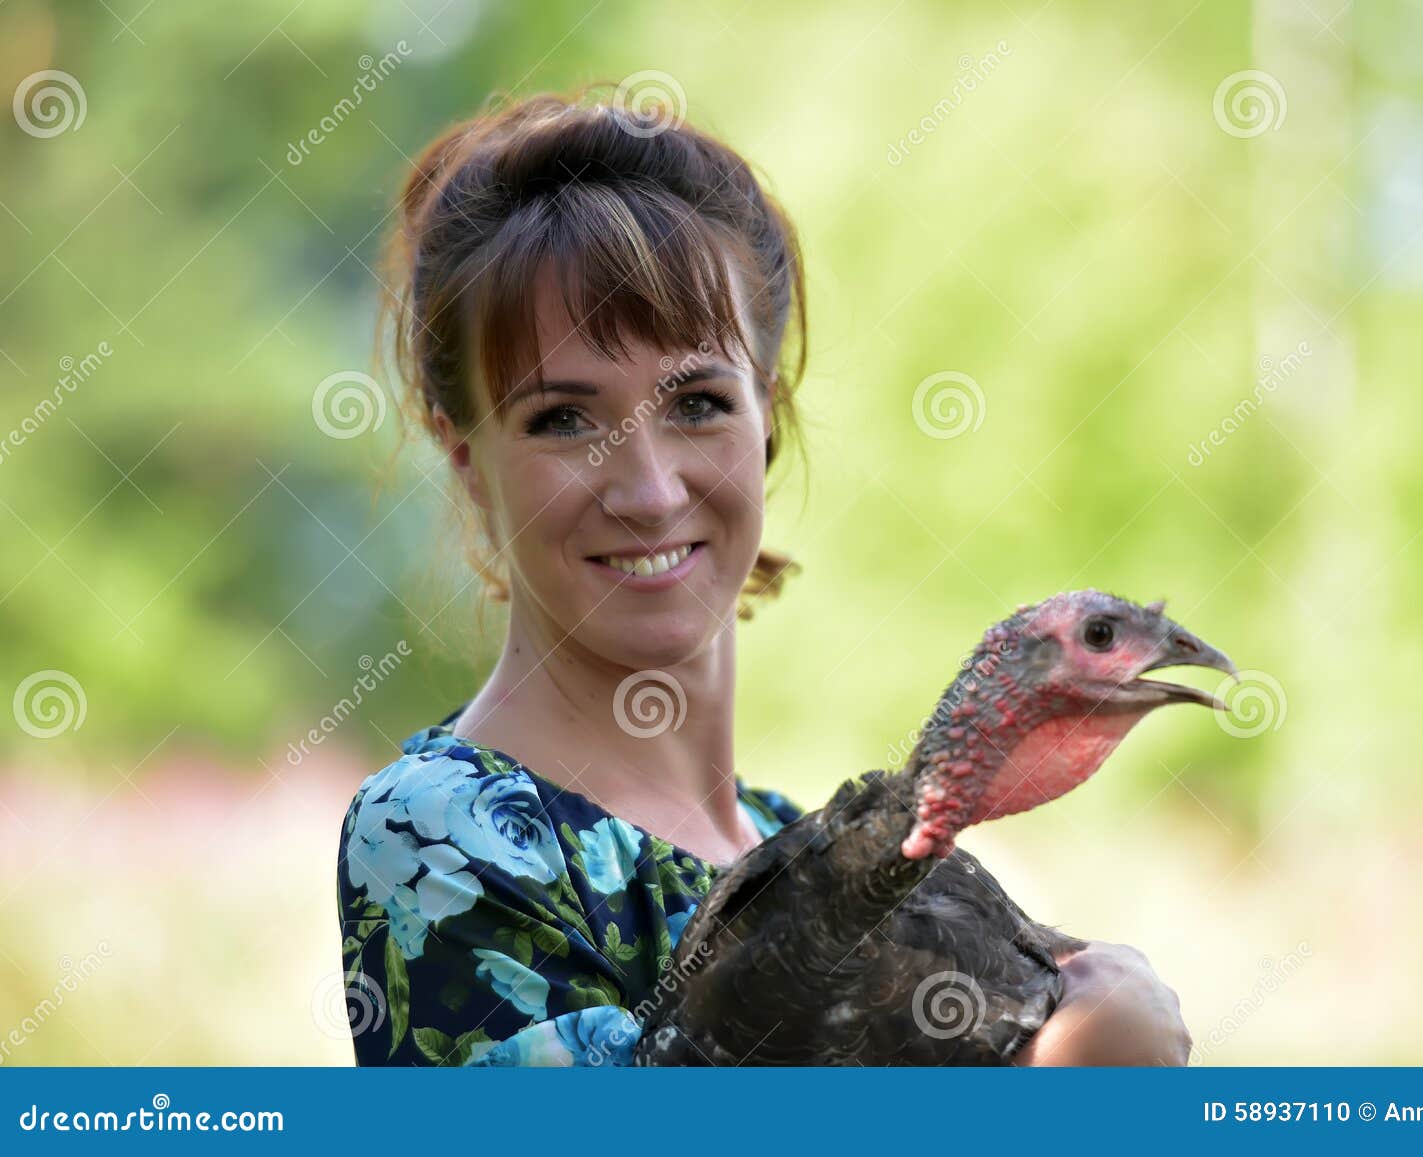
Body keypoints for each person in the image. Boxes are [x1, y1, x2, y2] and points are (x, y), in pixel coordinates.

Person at [335, 87, 1190, 1067]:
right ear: (466, 464)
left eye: (697, 401)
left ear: (767, 420)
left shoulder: (824, 852)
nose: (649, 489)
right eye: (562, 420)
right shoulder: (442, 832)